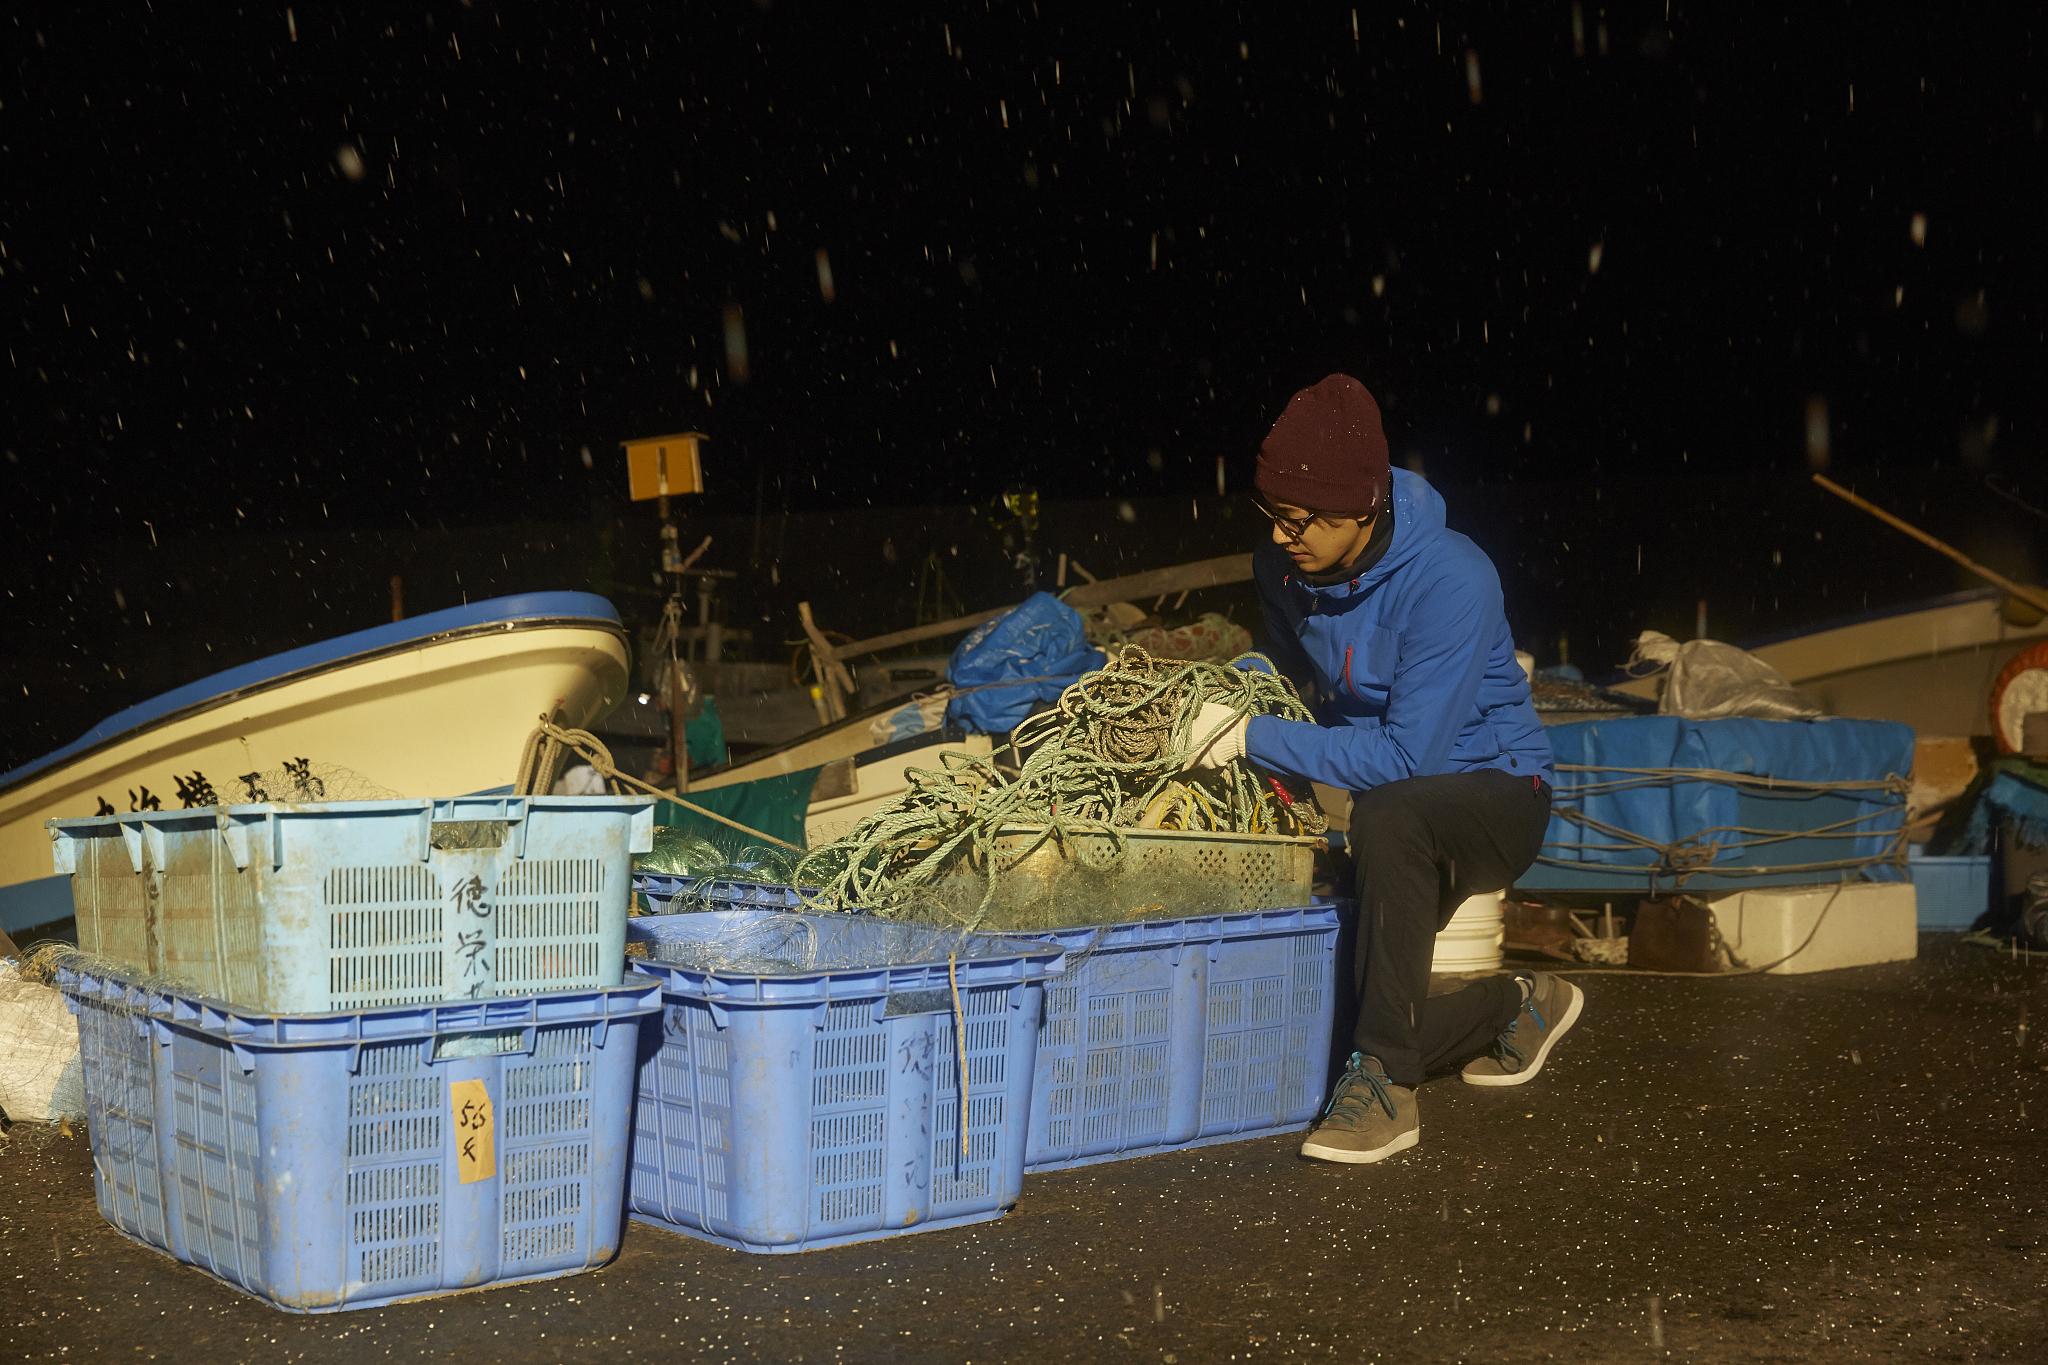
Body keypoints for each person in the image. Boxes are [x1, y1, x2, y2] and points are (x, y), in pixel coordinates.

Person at [1185, 374, 1583, 1165]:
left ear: (1363, 509)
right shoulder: (1282, 567)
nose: (1282, 536)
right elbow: (1292, 684)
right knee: (1349, 1015)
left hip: (1498, 793)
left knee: (1393, 809)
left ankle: (1389, 1096)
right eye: (1272, 515)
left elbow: (1407, 759)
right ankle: (1512, 1007)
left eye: (1301, 520)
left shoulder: (1453, 579)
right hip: (1383, 798)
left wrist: (1251, 737)